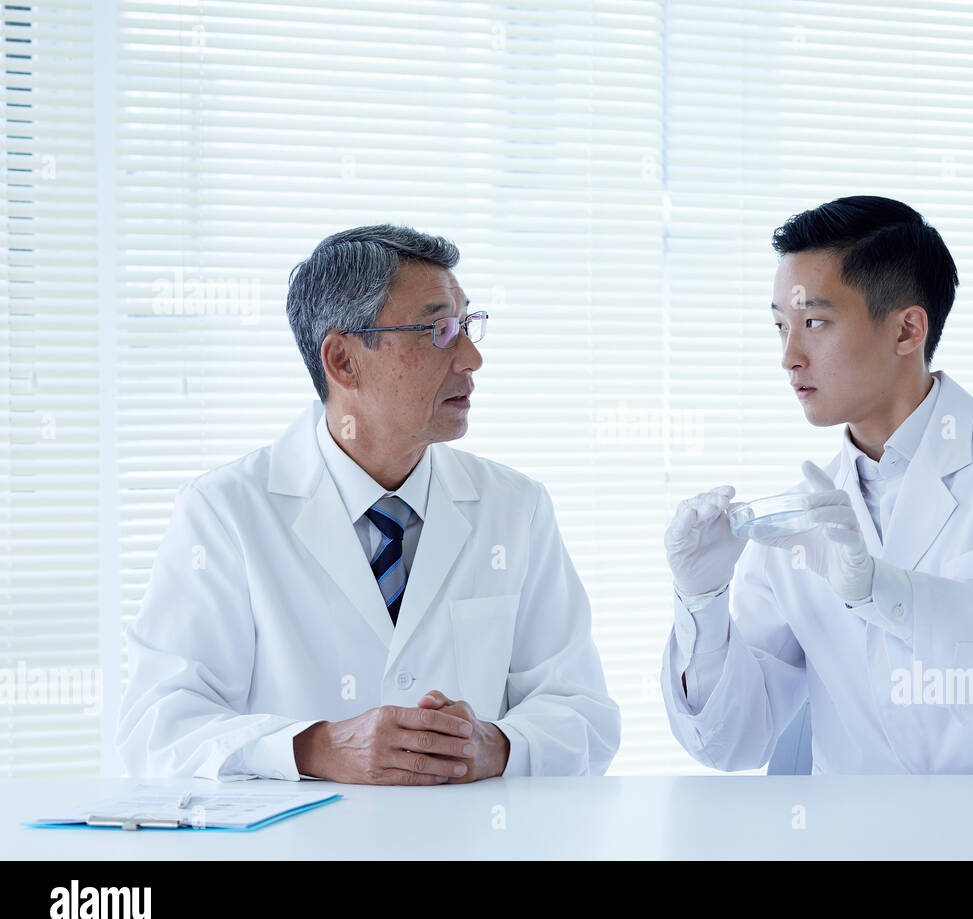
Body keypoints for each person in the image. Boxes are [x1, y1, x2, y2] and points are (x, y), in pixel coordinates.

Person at [118, 224, 620, 783]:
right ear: (343, 361)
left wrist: (497, 746)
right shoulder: (224, 512)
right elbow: (158, 728)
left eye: (467, 325)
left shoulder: (515, 508)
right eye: (439, 330)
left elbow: (584, 714)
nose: (472, 358)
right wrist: (317, 748)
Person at [661, 196, 973, 773]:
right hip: (857, 826)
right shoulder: (801, 523)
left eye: (813, 323)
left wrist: (879, 589)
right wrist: (701, 601)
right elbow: (732, 744)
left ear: (907, 330)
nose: (789, 357)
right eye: (780, 327)